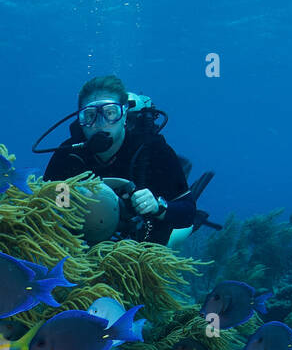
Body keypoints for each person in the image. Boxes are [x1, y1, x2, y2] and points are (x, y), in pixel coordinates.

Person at [42, 75, 198, 245]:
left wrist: (158, 207)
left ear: (124, 116)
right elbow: (49, 206)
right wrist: (66, 200)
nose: (100, 123)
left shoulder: (153, 151)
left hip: (143, 244)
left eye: (110, 113)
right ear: (81, 121)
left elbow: (188, 212)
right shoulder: (68, 157)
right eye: (90, 115)